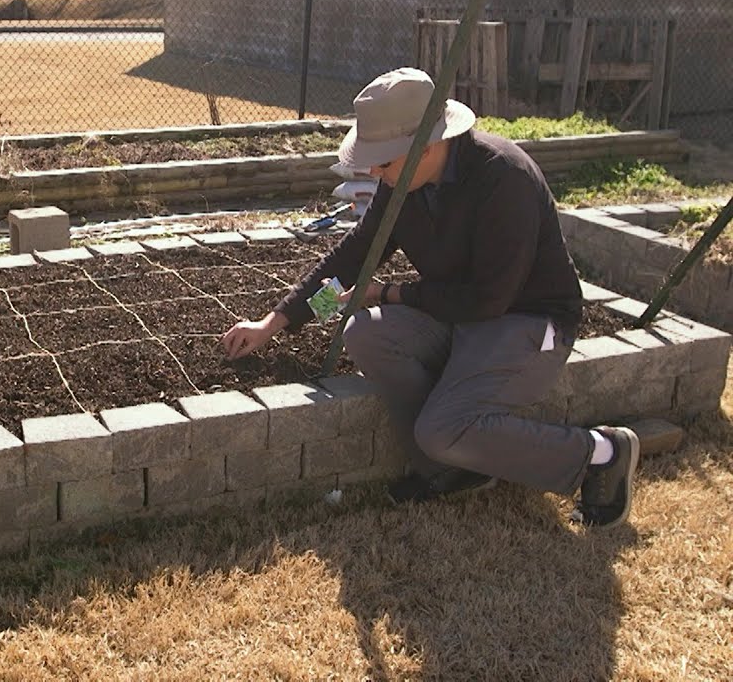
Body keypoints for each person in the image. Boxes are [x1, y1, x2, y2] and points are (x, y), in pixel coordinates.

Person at [221, 68, 640, 529]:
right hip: (461, 318)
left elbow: (489, 300)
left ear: (425, 145)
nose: (374, 171)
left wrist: (389, 292)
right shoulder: (402, 186)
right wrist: (272, 323)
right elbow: (354, 258)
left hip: (526, 324)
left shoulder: (503, 178)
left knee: (441, 428)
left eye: (382, 161)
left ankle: (601, 453)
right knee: (365, 332)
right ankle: (455, 468)